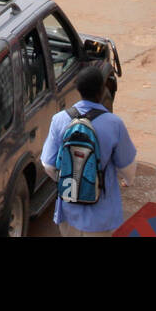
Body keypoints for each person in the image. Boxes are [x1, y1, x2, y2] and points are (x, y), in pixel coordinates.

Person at [39, 64, 137, 236]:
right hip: (102, 216)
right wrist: (128, 181)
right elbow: (128, 168)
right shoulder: (114, 124)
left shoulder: (59, 120)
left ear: (79, 90)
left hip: (69, 211)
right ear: (101, 90)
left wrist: (68, 179)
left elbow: (48, 164)